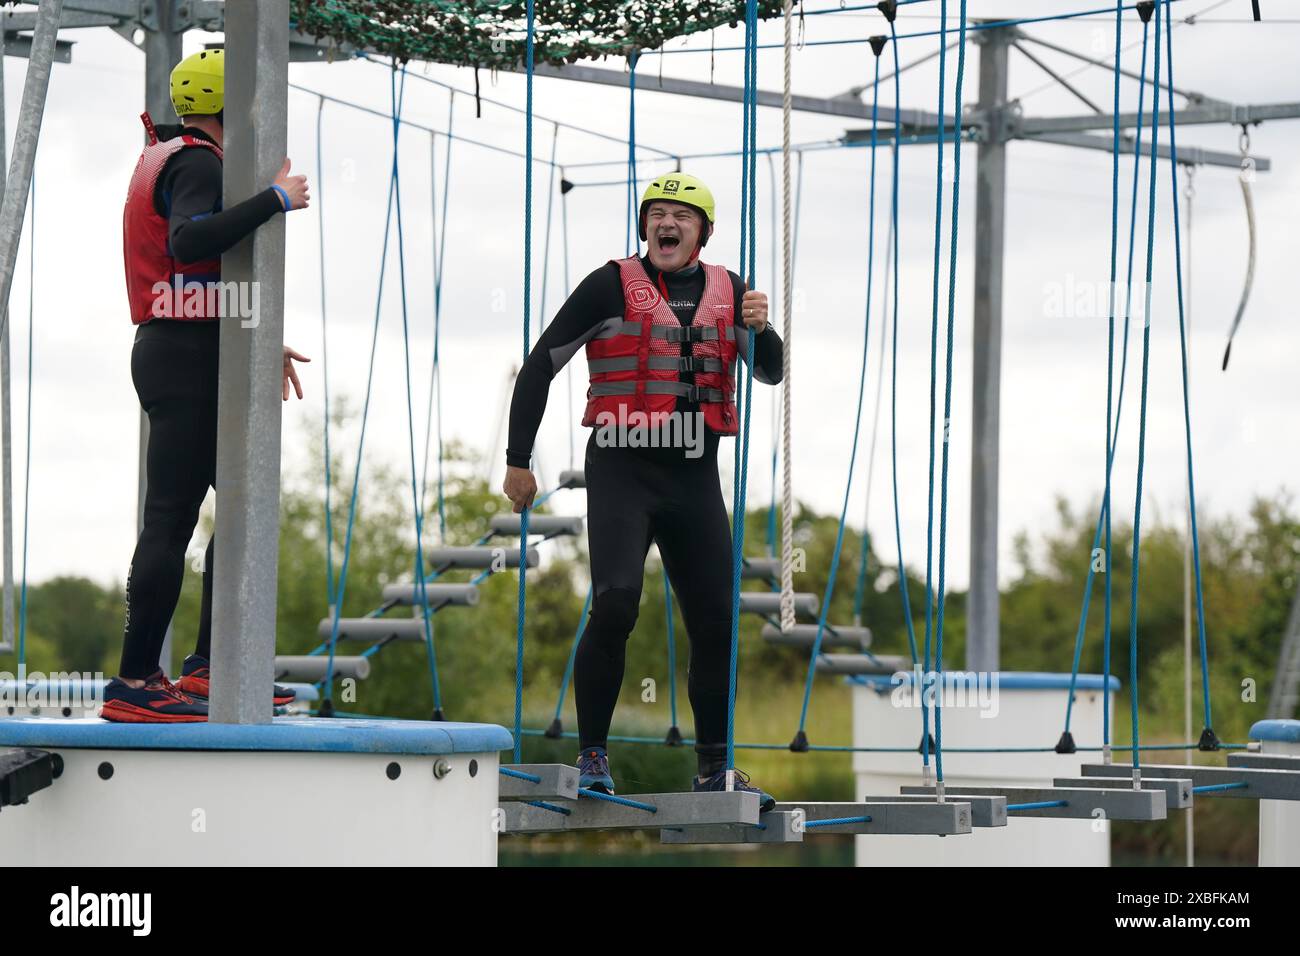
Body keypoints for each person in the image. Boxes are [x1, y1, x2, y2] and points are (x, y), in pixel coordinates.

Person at [503, 173, 783, 807]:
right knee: (617, 605)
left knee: (716, 621)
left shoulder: (731, 290)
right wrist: (518, 459)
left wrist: (760, 330)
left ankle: (715, 766)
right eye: (656, 213)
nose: (667, 223)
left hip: (693, 474)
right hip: (622, 470)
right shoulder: (609, 284)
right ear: (645, 227)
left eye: (681, 216)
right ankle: (593, 754)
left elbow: (770, 372)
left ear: (701, 232)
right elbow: (541, 363)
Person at [101, 48, 310, 723]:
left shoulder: (173, 154)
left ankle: (207, 668)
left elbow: (194, 280)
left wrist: (257, 340)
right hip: (182, 359)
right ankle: (136, 680)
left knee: (243, 507)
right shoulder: (197, 161)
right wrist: (274, 200)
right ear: (229, 107)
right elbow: (191, 242)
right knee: (171, 521)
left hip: (189, 348)